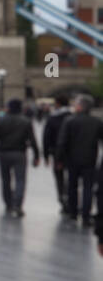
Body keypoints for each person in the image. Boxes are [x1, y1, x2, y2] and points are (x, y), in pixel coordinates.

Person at [0, 98, 40, 217]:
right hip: (20, 153)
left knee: (6, 180)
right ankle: (18, 205)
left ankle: (8, 203)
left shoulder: (0, 121)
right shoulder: (26, 121)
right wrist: (36, 156)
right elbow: (33, 140)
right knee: (20, 180)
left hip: (4, 153)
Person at [57, 94, 103, 225]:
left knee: (72, 186)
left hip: (72, 160)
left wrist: (59, 160)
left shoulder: (69, 121)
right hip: (90, 159)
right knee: (88, 188)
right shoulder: (97, 122)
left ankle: (73, 213)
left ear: (79, 106)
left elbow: (62, 142)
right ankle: (86, 216)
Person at [43, 92, 72, 215]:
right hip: (72, 153)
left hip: (56, 153)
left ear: (58, 104)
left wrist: (46, 155)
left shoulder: (52, 118)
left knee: (59, 178)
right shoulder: (73, 116)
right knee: (72, 179)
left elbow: (46, 138)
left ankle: (63, 200)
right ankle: (71, 200)